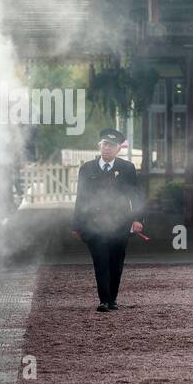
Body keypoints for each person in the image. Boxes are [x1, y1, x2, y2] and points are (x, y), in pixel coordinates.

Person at [71, 128, 144, 312]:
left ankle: (112, 299)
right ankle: (104, 300)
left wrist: (137, 219)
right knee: (101, 262)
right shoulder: (87, 169)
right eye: (104, 144)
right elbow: (81, 198)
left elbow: (135, 195)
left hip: (120, 224)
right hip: (94, 225)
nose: (107, 148)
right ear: (99, 146)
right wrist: (77, 225)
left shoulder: (127, 168)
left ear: (118, 149)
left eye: (111, 146)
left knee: (115, 263)